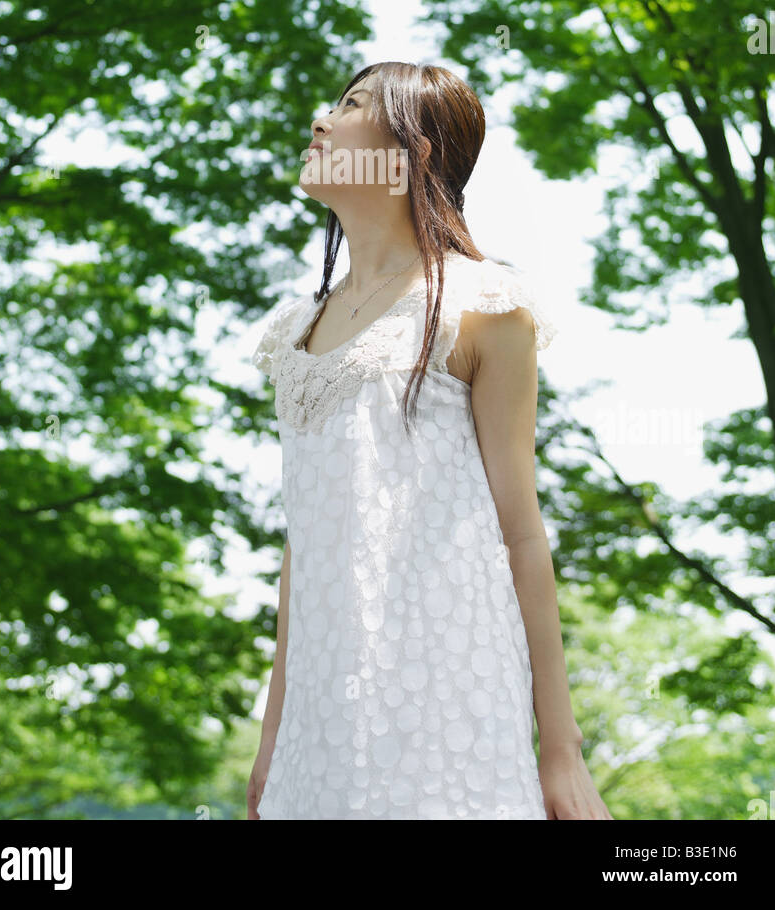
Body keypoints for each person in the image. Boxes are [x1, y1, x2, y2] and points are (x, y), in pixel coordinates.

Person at [246, 61, 612, 820]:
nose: (320, 119)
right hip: (324, 715)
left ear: (411, 150)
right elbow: (301, 552)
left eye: (349, 105)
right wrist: (274, 736)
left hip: (452, 692)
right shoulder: (292, 334)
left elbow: (521, 533)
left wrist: (560, 749)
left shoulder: (484, 305)